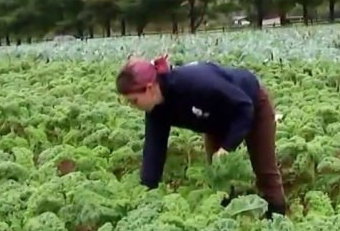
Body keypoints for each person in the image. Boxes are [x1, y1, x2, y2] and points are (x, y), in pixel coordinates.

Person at [116, 55, 287, 217]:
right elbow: (154, 150)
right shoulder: (156, 109)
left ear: (149, 88)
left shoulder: (195, 82)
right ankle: (229, 220)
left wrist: (227, 147)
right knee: (218, 176)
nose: (133, 107)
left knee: (265, 169)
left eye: (134, 101)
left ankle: (277, 217)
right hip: (214, 120)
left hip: (250, 104)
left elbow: (244, 108)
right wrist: (147, 193)